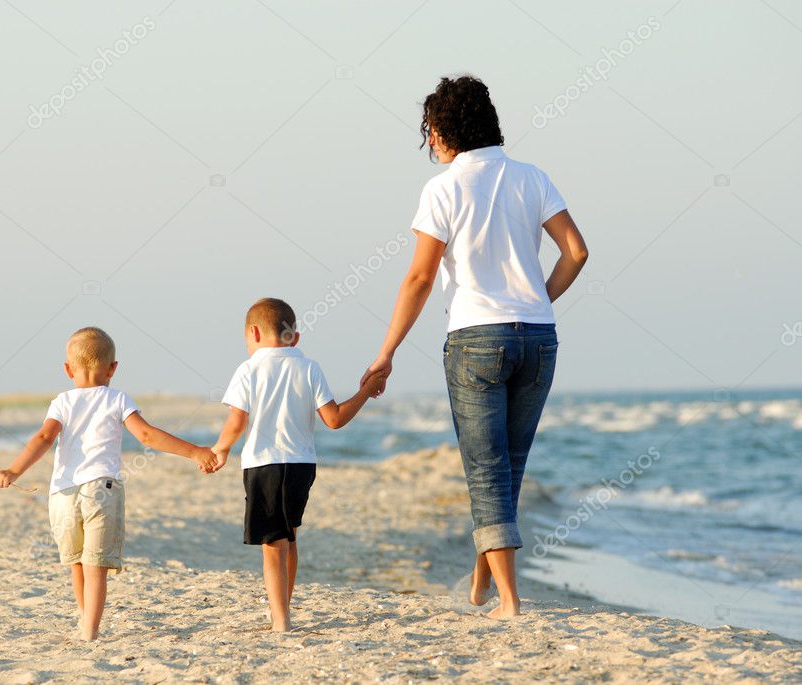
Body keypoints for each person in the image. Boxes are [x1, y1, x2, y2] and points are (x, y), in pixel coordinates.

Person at [361, 75, 588, 619]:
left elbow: (418, 279)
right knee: (507, 466)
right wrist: (538, 298)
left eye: (429, 132)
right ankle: (479, 589)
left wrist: (386, 351)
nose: (429, 143)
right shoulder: (531, 177)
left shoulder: (443, 189)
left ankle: (509, 602)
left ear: (443, 130)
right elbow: (576, 251)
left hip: (475, 339)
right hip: (537, 336)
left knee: (486, 471)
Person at [0, 326, 218, 641]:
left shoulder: (61, 402)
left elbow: (44, 438)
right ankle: (90, 631)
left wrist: (14, 471)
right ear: (113, 368)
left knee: (77, 565)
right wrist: (194, 451)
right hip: (101, 490)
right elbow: (147, 435)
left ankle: (85, 622)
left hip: (62, 495)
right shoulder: (116, 398)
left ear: (68, 370)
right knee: (96, 565)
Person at [211, 298, 386, 631]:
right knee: (288, 537)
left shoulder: (248, 369)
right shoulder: (309, 367)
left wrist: (220, 449)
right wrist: (365, 391)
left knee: (272, 545)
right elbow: (334, 419)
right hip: (302, 465)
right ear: (294, 336)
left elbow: (236, 423)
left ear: (254, 332)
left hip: (264, 465)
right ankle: (284, 609)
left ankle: (280, 620)